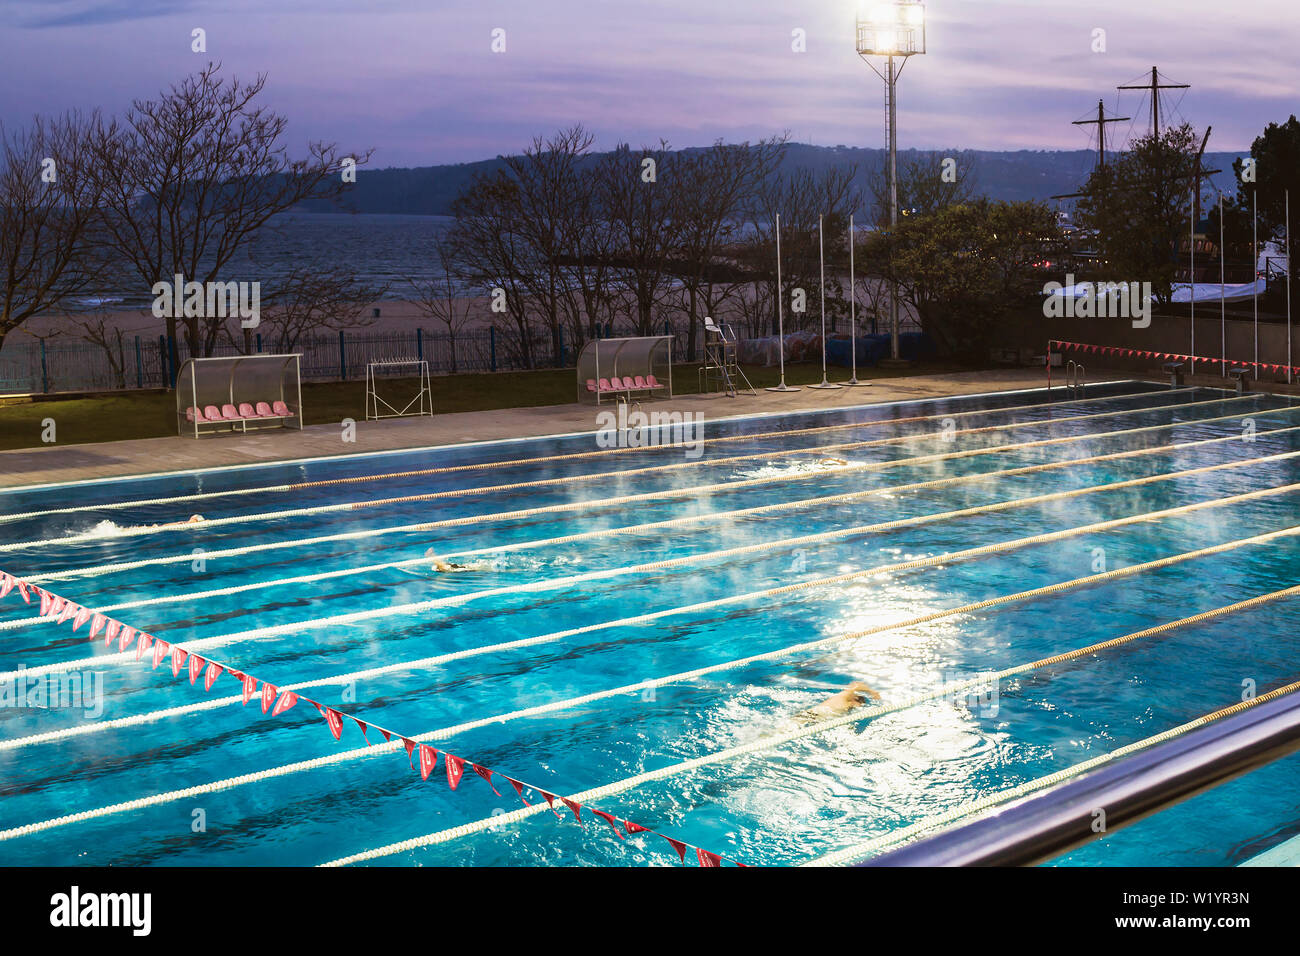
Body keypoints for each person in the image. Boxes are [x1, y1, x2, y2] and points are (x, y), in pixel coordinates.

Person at [797, 680, 882, 721]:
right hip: (811, 716)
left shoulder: (847, 708)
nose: (859, 706)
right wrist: (873, 692)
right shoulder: (843, 698)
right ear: (855, 699)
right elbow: (857, 685)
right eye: (860, 704)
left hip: (815, 719)